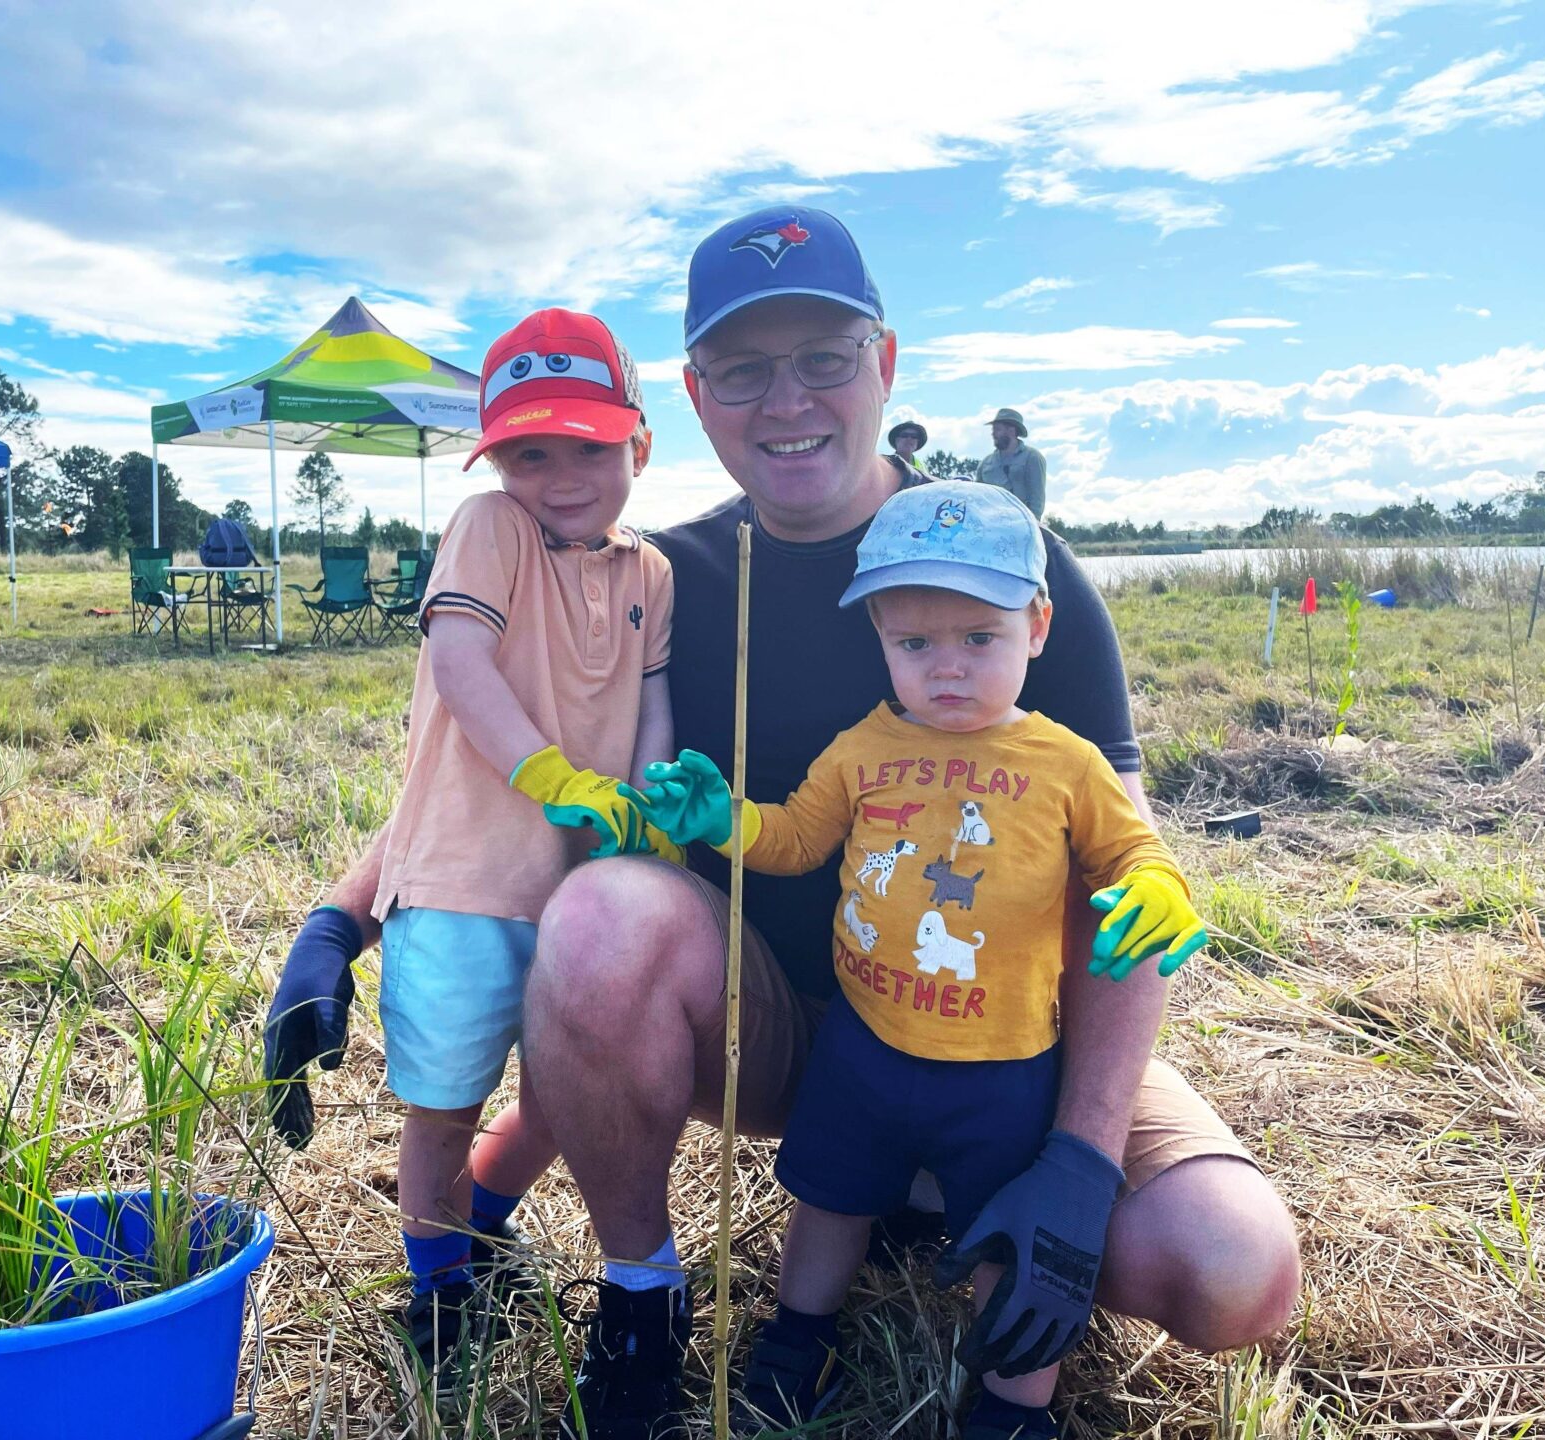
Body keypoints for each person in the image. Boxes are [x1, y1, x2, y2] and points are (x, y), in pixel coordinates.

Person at [266, 205, 1300, 1440]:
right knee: (604, 911)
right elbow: (503, 765)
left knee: (1232, 1272)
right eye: (745, 369)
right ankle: (644, 1307)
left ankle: (955, 1203)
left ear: (886, 364)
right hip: (784, 1037)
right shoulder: (661, 579)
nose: (787, 399)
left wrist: (1079, 1153)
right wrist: (340, 918)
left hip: (998, 1040)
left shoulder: (1003, 569)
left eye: (825, 357)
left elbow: (1121, 866)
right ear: (694, 398)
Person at [620, 481, 1210, 1435]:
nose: (947, 668)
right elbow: (797, 839)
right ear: (881, 641)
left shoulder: (1067, 763)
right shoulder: (863, 747)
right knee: (828, 1199)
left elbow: (1133, 852)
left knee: (1002, 1239)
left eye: (980, 639)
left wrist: (1161, 888)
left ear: (1038, 628)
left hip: (1007, 1065)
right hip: (867, 1042)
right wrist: (720, 819)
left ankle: (1016, 1405)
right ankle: (797, 1339)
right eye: (914, 643)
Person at [261, 308, 679, 1383]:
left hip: (575, 892)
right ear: (498, 460)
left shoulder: (653, 575)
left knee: (559, 1100)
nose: (561, 474)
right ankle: (438, 1284)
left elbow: (652, 700)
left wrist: (652, 801)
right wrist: (548, 774)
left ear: (639, 444)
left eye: (588, 446)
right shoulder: (489, 528)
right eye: (531, 452)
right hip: (460, 881)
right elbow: (462, 664)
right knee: (444, 1105)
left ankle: (485, 1219)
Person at [978, 407, 1047, 519]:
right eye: (993, 430)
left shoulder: (1032, 457)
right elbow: (978, 498)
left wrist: (1032, 525)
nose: (993, 434)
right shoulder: (986, 464)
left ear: (1011, 431)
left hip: (1021, 523)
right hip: (991, 524)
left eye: (998, 430)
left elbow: (1037, 499)